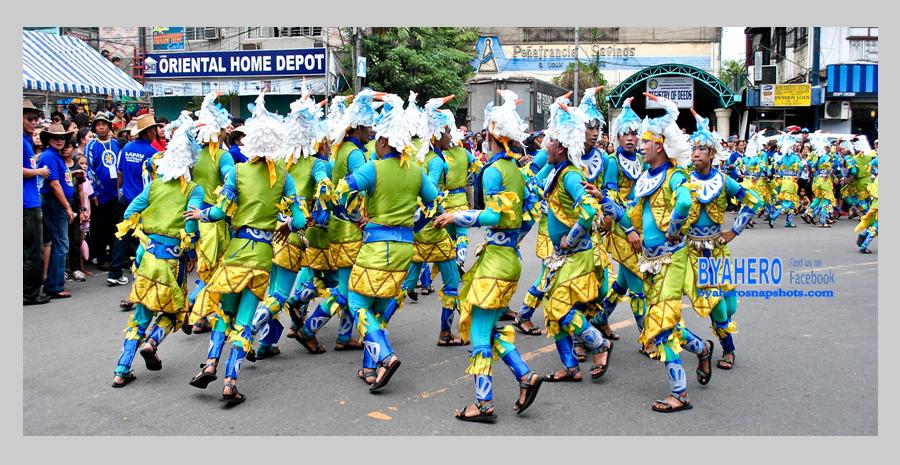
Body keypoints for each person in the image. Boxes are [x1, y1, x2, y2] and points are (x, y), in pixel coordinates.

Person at [589, 93, 712, 413]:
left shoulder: (674, 176)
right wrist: (603, 200)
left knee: (662, 323)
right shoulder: (646, 177)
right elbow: (629, 212)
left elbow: (685, 201)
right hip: (649, 259)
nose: (639, 145)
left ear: (660, 145)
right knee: (664, 322)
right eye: (638, 139)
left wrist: (674, 227)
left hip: (673, 259)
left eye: (645, 140)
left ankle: (680, 392)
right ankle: (702, 349)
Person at [185, 93, 306, 404]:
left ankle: (210, 362)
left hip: (237, 251)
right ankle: (230, 381)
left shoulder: (237, 172)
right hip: (264, 256)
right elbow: (300, 219)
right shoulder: (284, 177)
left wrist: (202, 214)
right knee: (244, 319)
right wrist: (284, 226)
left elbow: (221, 210)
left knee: (224, 311)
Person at [433, 89, 544, 422]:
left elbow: (495, 215)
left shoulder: (495, 172)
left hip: (496, 262)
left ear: (494, 135)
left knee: (479, 334)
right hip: (507, 257)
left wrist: (459, 216)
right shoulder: (518, 171)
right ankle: (525, 376)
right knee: (491, 328)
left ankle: (483, 404)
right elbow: (528, 215)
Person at [332, 92, 442, 390]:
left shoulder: (374, 168)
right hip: (405, 248)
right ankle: (370, 370)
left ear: (383, 142)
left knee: (357, 303)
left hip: (376, 247)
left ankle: (385, 355)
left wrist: (354, 216)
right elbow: (436, 206)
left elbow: (341, 191)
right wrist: (414, 224)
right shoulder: (416, 171)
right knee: (379, 308)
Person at [110, 114, 205, 388]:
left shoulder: (153, 186)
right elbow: (192, 229)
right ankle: (152, 342)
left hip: (147, 257)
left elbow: (129, 213)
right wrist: (190, 252)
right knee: (174, 312)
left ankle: (121, 369)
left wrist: (145, 235)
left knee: (140, 314)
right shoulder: (193, 190)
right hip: (171, 261)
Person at [294, 89, 379, 354]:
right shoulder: (354, 154)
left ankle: (343, 336)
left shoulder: (344, 149)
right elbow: (358, 189)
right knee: (343, 289)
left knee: (347, 285)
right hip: (348, 230)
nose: (371, 130)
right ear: (358, 127)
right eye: (368, 126)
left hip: (340, 227)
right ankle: (308, 328)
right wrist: (361, 218)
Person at [535, 101, 612, 383]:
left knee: (558, 306)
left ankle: (597, 343)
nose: (546, 146)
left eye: (551, 141)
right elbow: (533, 180)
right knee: (553, 311)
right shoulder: (556, 171)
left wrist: (571, 238)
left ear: (562, 146)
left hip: (577, 255)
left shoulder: (569, 175)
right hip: (562, 256)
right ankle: (570, 367)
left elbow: (590, 210)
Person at [683, 109, 762, 371]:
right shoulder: (683, 179)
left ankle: (721, 330)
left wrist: (734, 231)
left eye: (702, 149)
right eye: (694, 149)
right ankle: (728, 350)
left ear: (712, 154)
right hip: (691, 252)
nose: (696, 153)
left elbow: (754, 201)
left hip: (717, 249)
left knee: (730, 305)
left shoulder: (724, 181)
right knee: (716, 305)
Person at [404, 95, 466, 346]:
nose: (451, 136)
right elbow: (427, 188)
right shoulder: (437, 161)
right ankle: (445, 332)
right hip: (435, 228)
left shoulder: (424, 156)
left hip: (422, 227)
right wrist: (437, 202)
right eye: (447, 132)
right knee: (452, 281)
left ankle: (379, 325)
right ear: (436, 135)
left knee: (411, 275)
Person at [591, 96, 647, 343]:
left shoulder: (642, 161)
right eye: (626, 134)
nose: (631, 138)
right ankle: (648, 335)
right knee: (637, 282)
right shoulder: (613, 161)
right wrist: (627, 224)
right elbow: (609, 198)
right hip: (623, 227)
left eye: (635, 134)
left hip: (640, 225)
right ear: (618, 137)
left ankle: (599, 318)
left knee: (623, 281)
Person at [184, 93, 236, 335]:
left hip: (194, 217)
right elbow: (228, 176)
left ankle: (202, 316)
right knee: (214, 270)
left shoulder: (195, 154)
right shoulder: (221, 156)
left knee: (207, 268)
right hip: (213, 220)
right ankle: (194, 307)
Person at [107, 114, 163, 287]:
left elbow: (120, 174)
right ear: (148, 132)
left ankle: (114, 272)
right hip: (143, 202)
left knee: (122, 236)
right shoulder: (153, 153)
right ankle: (145, 271)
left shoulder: (126, 149)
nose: (156, 133)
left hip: (126, 199)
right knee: (146, 237)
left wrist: (120, 193)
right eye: (154, 130)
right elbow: (156, 181)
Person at [37, 123, 78, 299]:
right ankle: (54, 286)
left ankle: (53, 283)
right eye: (56, 137)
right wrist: (68, 207)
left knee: (59, 243)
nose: (60, 140)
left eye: (62, 138)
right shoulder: (50, 156)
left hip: (57, 203)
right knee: (61, 244)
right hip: (55, 204)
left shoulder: (55, 156)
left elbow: (60, 181)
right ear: (49, 140)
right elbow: (54, 184)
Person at [85, 112, 121, 271]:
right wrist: (93, 192)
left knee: (114, 226)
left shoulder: (116, 143)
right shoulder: (91, 145)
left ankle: (115, 256)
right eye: (98, 125)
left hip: (114, 192)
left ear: (109, 127)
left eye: (104, 124)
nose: (101, 127)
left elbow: (119, 166)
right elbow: (89, 170)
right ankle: (101, 258)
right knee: (99, 227)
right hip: (99, 194)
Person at [24, 100, 51, 306]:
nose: (34, 123)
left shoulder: (26, 141)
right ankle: (31, 293)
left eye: (35, 119)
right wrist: (38, 171)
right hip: (27, 204)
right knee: (33, 252)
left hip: (30, 201)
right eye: (29, 119)